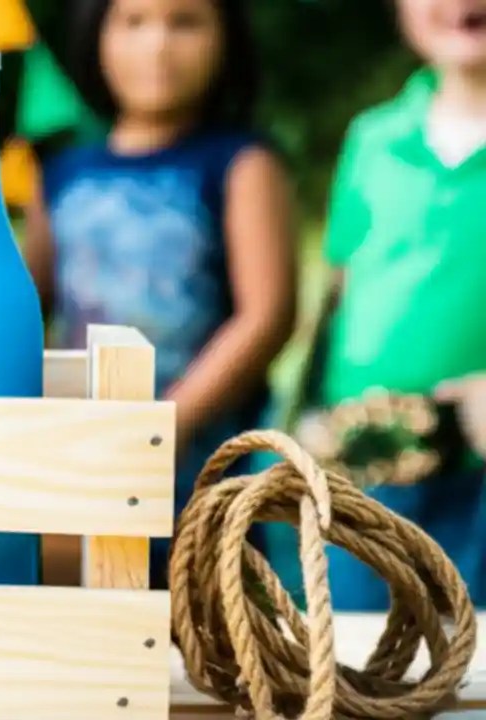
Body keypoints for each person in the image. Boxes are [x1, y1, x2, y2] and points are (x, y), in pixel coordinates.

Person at [23, 0, 298, 587]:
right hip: (89, 460)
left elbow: (267, 315)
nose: (158, 44)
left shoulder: (241, 163)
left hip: (204, 468)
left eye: (186, 22)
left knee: (205, 616)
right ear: (96, 35)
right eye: (134, 21)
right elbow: (24, 311)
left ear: (226, 38)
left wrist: (166, 425)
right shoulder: (62, 174)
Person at [274, 0, 486, 610]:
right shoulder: (372, 137)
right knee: (354, 644)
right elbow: (340, 292)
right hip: (364, 468)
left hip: (475, 480)